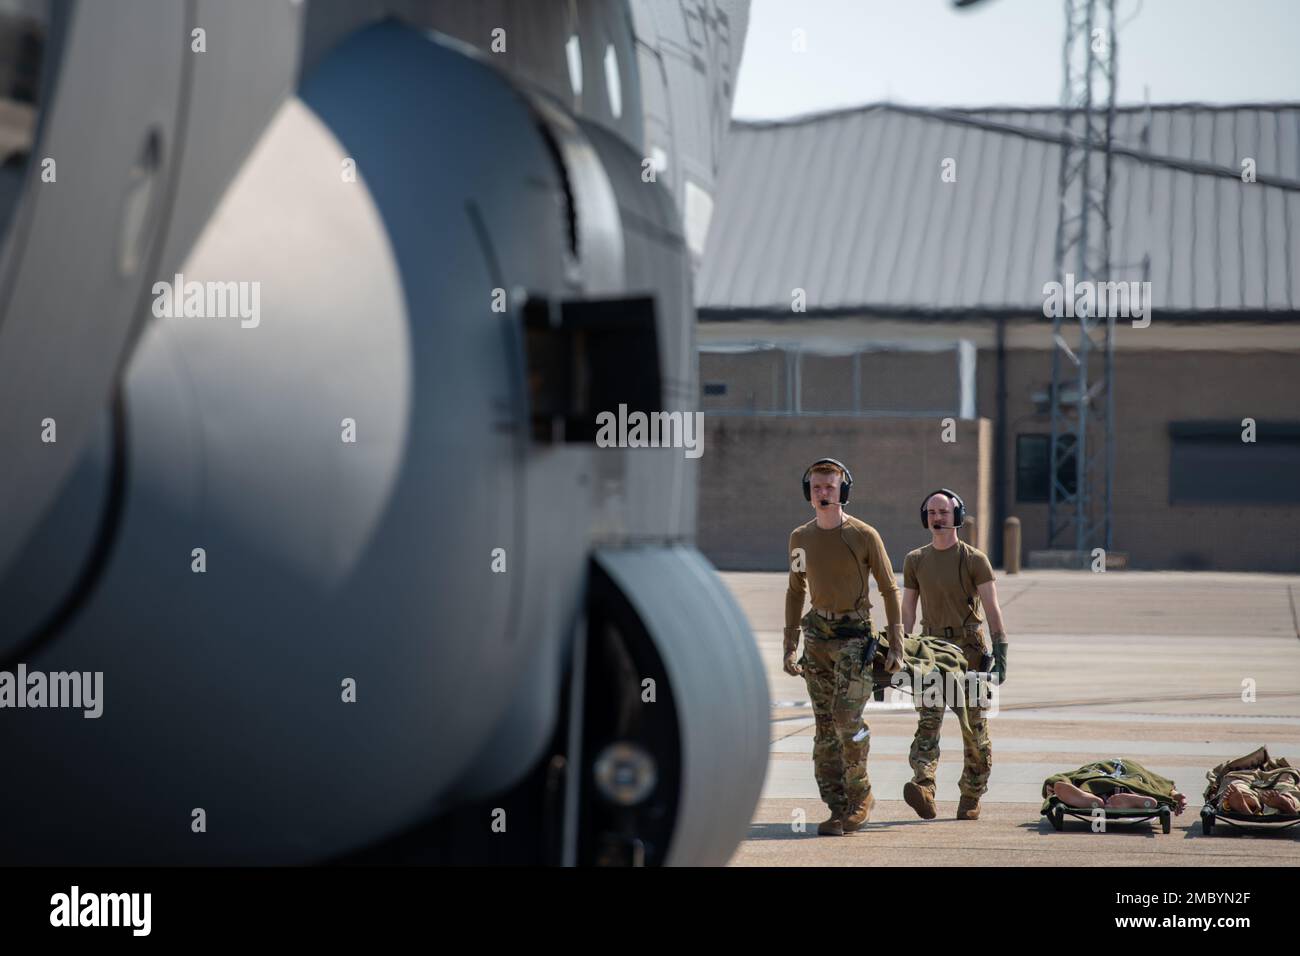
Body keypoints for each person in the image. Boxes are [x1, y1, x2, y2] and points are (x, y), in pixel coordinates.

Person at [783, 458, 905, 837]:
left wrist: (897, 646)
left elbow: (888, 588)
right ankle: (837, 807)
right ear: (809, 492)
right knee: (823, 726)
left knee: (846, 719)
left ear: (844, 492)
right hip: (817, 636)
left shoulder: (864, 536)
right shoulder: (800, 537)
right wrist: (790, 645)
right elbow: (795, 589)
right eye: (817, 488)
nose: (823, 494)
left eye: (830, 488)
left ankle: (861, 797)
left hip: (855, 635)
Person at [900, 489, 1008, 821]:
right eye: (932, 512)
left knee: (974, 728)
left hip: (970, 653)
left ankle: (971, 795)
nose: (937, 518)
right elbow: (907, 610)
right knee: (927, 724)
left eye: (944, 512)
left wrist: (1001, 652)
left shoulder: (974, 559)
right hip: (930, 651)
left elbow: (992, 608)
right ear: (924, 517)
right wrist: (900, 652)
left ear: (957, 516)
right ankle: (924, 788)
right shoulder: (915, 560)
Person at [1042, 758, 1188, 815]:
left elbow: (1061, 778)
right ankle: (1135, 799)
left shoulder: (1091, 768)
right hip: (1131, 782)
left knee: (1086, 784)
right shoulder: (1136, 768)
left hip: (1095, 780)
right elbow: (1161, 784)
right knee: (1141, 785)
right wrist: (1175, 795)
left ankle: (1092, 799)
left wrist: (1052, 786)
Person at [1204, 747, 1300, 815]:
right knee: (1288, 788)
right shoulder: (1282, 768)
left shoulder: (1234, 768)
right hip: (1278, 776)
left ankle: (1248, 803)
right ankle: (1288, 802)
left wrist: (1213, 792)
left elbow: (1215, 785)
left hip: (1244, 776)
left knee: (1235, 785)